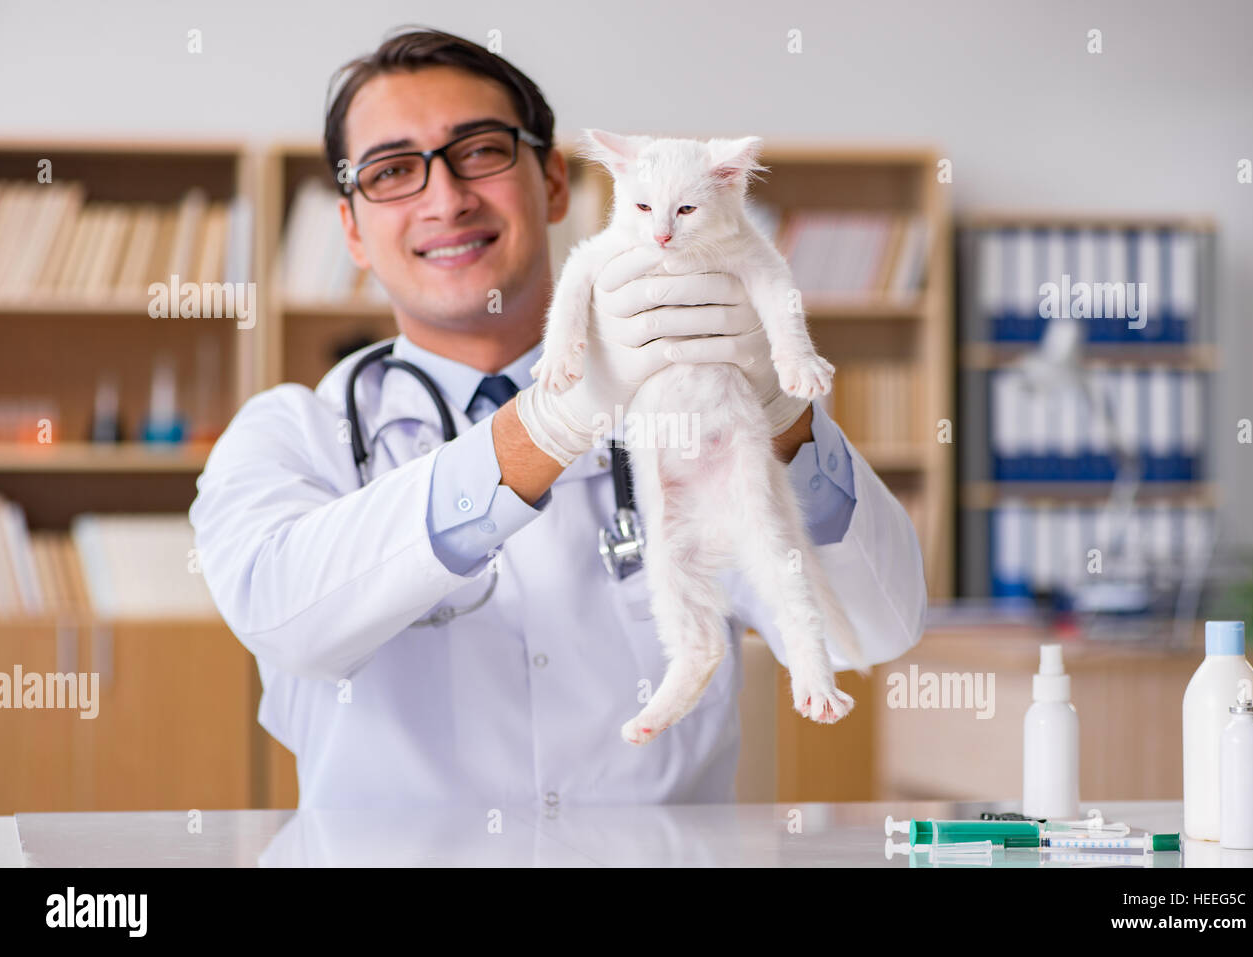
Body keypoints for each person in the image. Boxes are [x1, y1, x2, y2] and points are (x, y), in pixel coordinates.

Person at [189, 27, 926, 810]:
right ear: (351, 232)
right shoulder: (294, 433)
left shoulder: (712, 399)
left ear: (553, 183)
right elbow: (284, 619)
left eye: (479, 151)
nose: (446, 198)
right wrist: (546, 426)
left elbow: (871, 632)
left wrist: (782, 419)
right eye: (394, 170)